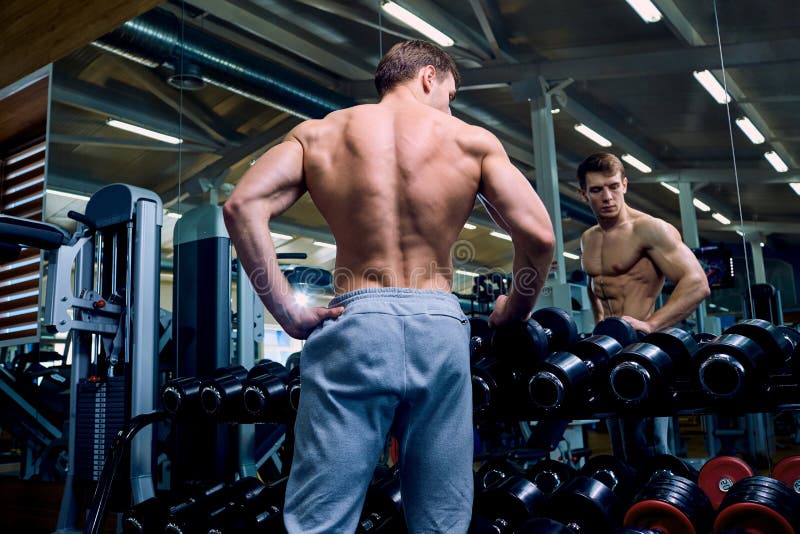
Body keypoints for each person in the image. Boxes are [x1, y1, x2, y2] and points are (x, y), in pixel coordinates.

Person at [223, 40, 555, 533]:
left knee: (319, 518)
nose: (450, 105)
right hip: (439, 326)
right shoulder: (472, 141)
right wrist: (515, 308)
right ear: (428, 76)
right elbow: (540, 236)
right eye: (450, 92)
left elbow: (241, 206)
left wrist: (287, 311)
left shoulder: (319, 135)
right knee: (441, 518)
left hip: (355, 323)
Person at [578, 152, 710, 461]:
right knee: (622, 450)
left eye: (613, 186)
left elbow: (697, 283)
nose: (607, 197)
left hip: (645, 352)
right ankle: (630, 509)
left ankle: (662, 506)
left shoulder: (650, 229)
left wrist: (650, 326)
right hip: (608, 354)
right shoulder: (587, 239)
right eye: (596, 190)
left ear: (625, 184)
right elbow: (595, 287)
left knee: (652, 451)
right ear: (583, 194)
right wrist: (598, 328)